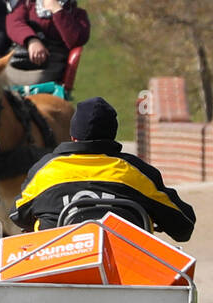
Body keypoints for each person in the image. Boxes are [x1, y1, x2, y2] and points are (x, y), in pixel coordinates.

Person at [11, 97, 195, 240]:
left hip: (56, 272)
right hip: (125, 277)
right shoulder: (137, 173)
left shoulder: (45, 171)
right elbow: (184, 225)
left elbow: (17, 214)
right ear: (112, 136)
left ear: (73, 136)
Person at [2, 0, 91, 86]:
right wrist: (31, 40)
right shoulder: (26, 3)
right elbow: (13, 23)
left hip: (51, 62)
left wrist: (58, 11)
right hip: (23, 56)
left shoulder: (77, 14)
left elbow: (75, 41)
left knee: (35, 82)